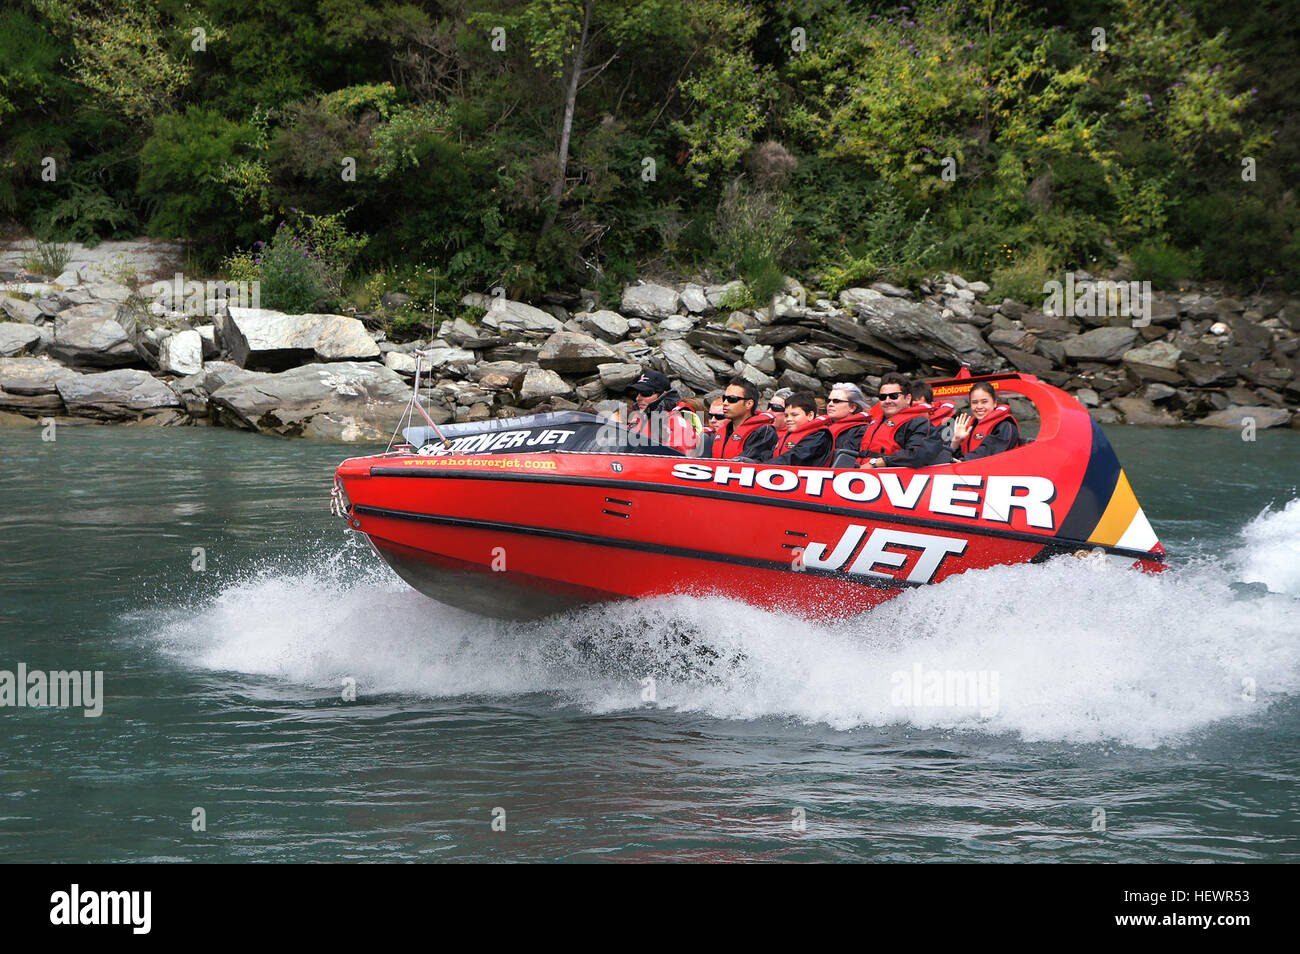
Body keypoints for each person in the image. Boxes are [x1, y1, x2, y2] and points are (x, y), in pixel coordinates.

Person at [857, 372, 949, 468]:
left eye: (894, 396)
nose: (887, 401)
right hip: (858, 473)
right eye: (883, 397)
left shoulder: (919, 424)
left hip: (891, 477)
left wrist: (877, 463)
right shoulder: (872, 423)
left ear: (908, 398)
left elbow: (918, 454)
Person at [625, 369, 701, 453]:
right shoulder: (637, 418)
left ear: (663, 394)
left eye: (645, 393)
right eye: (637, 393)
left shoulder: (677, 420)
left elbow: (677, 457)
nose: (638, 398)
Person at [949, 382, 1020, 460]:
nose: (979, 406)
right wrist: (956, 440)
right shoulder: (970, 426)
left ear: (995, 403)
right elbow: (955, 457)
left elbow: (989, 451)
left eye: (984, 402)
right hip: (967, 469)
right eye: (975, 402)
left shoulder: (1005, 426)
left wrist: (962, 462)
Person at [715, 377, 780, 460]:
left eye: (732, 399)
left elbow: (753, 463)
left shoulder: (764, 432)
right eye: (724, 398)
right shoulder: (721, 431)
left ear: (749, 404)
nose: (724, 403)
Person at [763, 392, 831, 466]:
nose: (788, 419)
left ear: (810, 415)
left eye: (794, 415)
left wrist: (762, 466)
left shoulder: (819, 436)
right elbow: (770, 455)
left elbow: (794, 458)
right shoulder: (788, 434)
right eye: (786, 415)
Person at [823, 382, 873, 465]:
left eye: (836, 401)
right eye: (829, 400)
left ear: (852, 407)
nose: (830, 404)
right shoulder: (822, 426)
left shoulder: (861, 431)